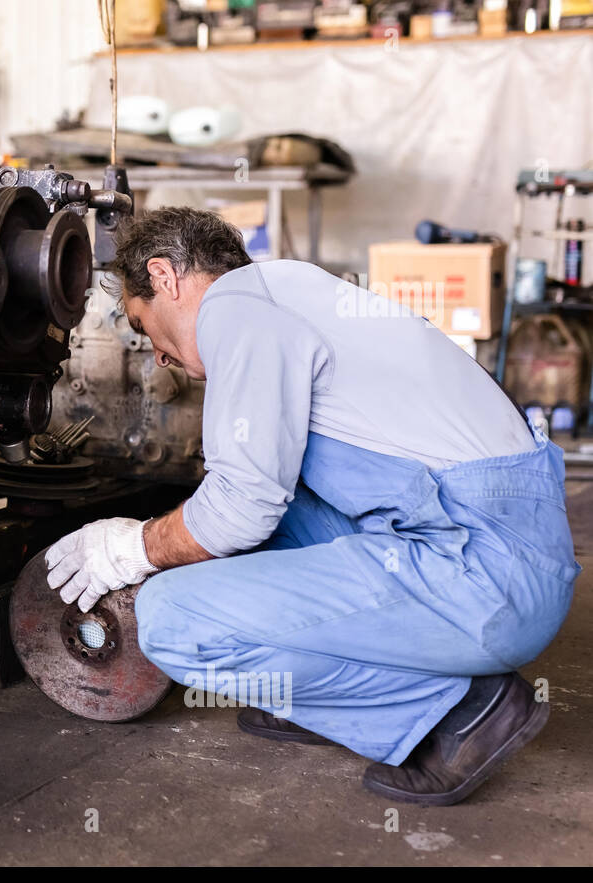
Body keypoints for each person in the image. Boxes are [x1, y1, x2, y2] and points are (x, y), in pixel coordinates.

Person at [45, 207, 580, 806]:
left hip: (488, 577)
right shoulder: (290, 287)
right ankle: (320, 695)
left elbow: (237, 511)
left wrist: (130, 549)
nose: (161, 357)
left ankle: (459, 711)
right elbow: (262, 501)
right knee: (281, 516)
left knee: (173, 620)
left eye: (148, 330)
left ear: (165, 276)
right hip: (497, 542)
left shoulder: (233, 310)